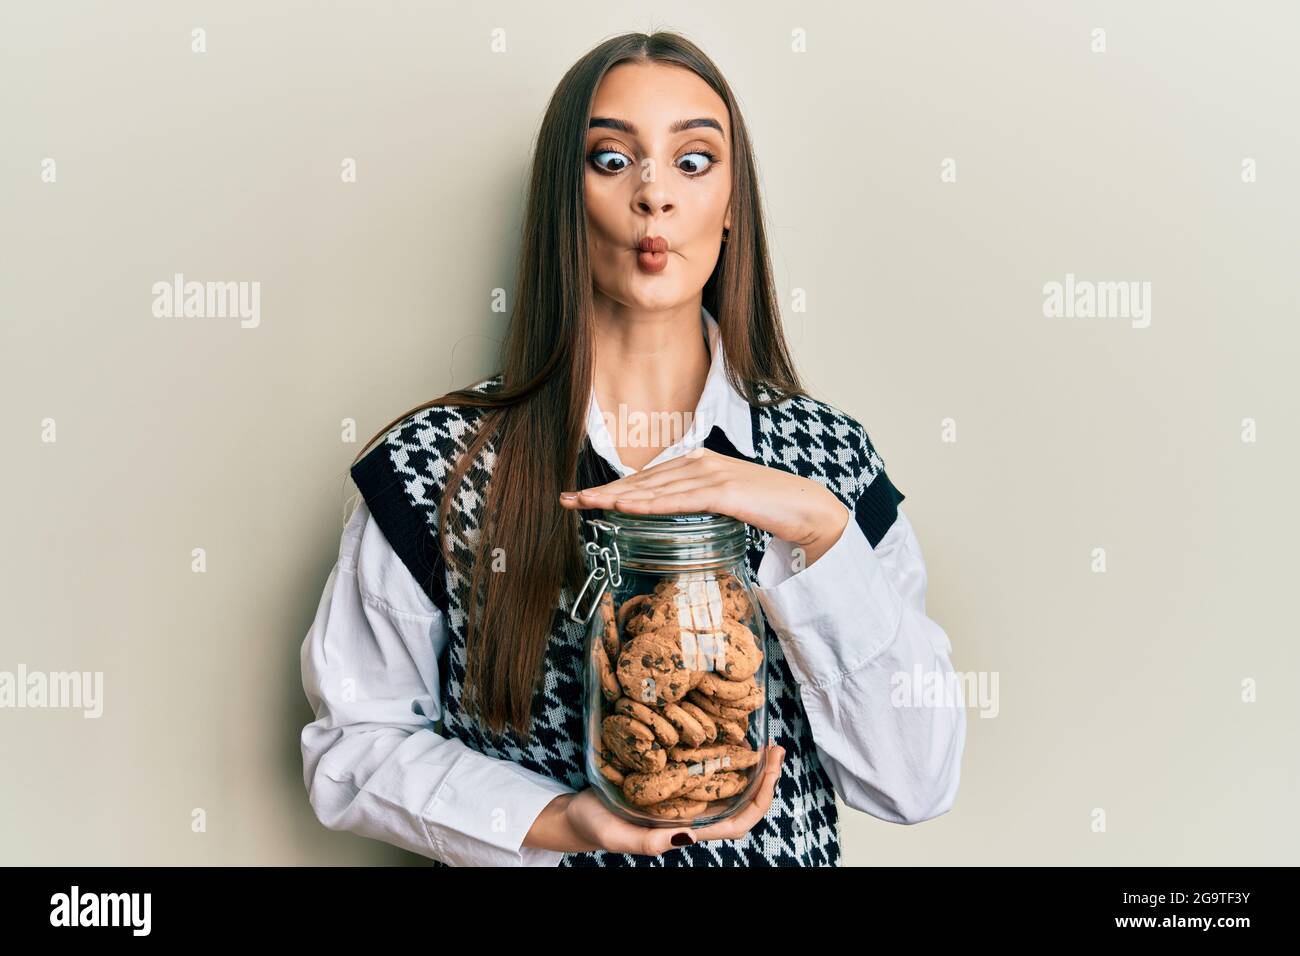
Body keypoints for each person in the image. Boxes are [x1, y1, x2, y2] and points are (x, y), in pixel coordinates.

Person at [299, 30, 965, 867]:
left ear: (733, 204)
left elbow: (917, 781)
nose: (655, 195)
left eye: (693, 161)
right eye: (612, 159)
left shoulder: (828, 461)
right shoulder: (437, 465)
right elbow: (351, 748)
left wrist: (820, 529)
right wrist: (556, 819)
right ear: (563, 199)